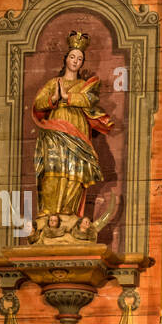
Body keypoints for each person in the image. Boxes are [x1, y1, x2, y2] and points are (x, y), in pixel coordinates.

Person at [32, 31, 112, 218]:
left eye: (80, 58)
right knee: (54, 168)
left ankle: (69, 214)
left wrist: (68, 97)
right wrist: (54, 97)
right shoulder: (53, 83)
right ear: (65, 59)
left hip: (77, 131)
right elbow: (38, 103)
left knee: (74, 170)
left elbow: (90, 99)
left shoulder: (86, 85)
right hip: (55, 130)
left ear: (82, 63)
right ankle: (49, 215)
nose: (75, 61)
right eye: (73, 57)